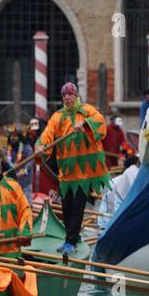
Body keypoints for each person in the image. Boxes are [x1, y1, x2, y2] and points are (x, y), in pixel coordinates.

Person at [38, 82, 111, 254]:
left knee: (78, 208)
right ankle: (72, 237)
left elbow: (100, 122)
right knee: (67, 208)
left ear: (76, 95)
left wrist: (85, 124)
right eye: (64, 95)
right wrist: (41, 145)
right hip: (66, 173)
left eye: (70, 94)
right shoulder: (58, 116)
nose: (67, 98)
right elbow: (47, 133)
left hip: (84, 173)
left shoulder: (87, 110)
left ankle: (71, 241)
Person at [0, 153, 33, 254]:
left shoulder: (13, 186)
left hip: (11, 247)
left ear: (1, 168)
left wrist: (24, 231)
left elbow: (25, 209)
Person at [4, 127, 36, 199]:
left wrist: (24, 171)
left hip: (24, 181)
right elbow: (5, 161)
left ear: (20, 137)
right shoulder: (7, 149)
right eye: (11, 136)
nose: (12, 138)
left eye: (15, 136)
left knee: (26, 203)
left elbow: (30, 162)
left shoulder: (27, 148)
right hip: (10, 181)